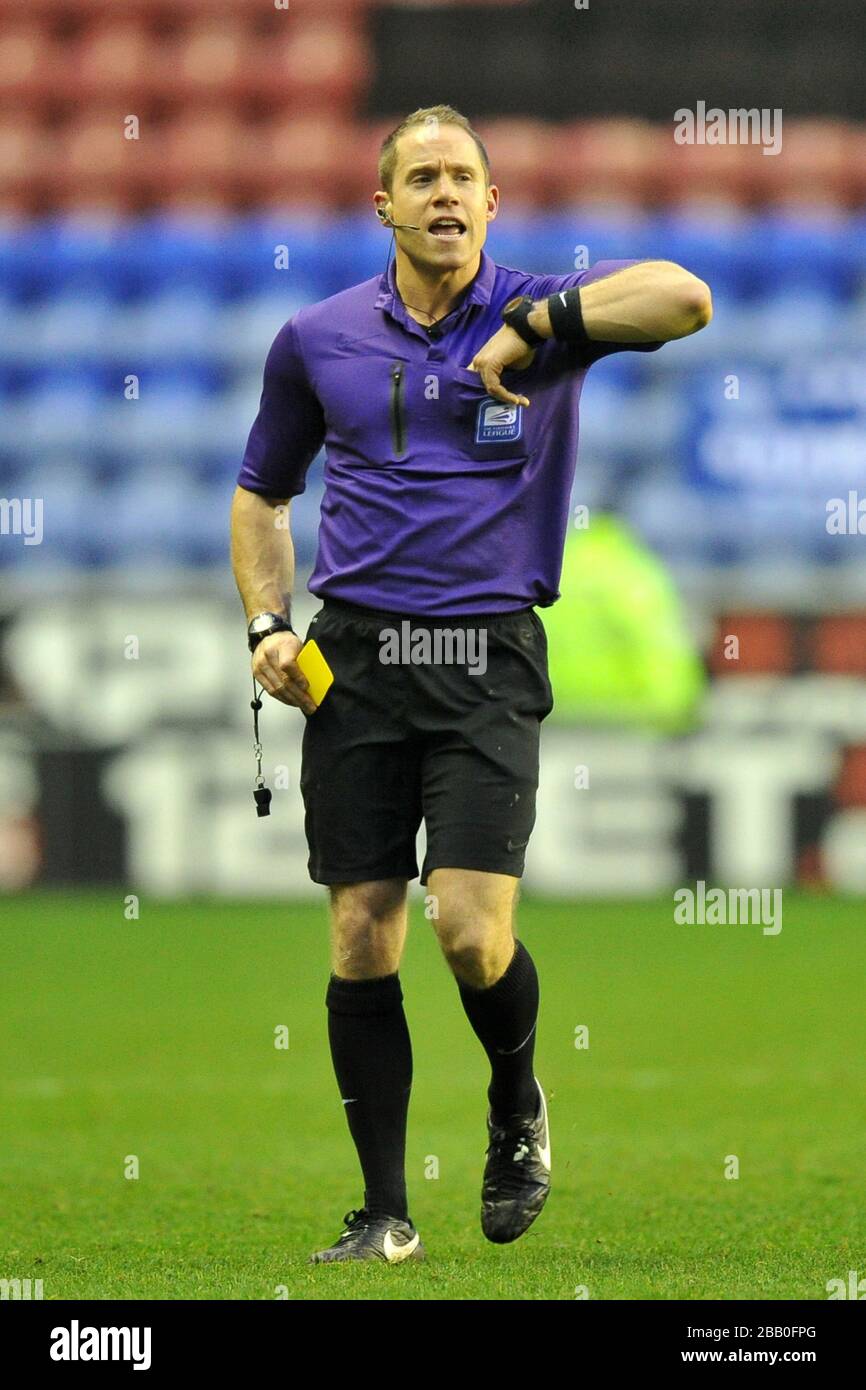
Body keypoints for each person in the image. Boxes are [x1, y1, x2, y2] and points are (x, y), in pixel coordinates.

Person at [230, 104, 712, 1264]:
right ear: (381, 205)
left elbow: (687, 295)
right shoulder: (315, 337)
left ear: (492, 204)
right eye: (421, 178)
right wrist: (266, 624)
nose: (444, 195)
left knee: (467, 932)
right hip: (354, 656)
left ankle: (515, 1104)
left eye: (463, 179)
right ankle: (383, 1211)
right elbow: (261, 496)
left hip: (486, 653)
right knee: (360, 929)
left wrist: (537, 322)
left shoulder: (545, 314)